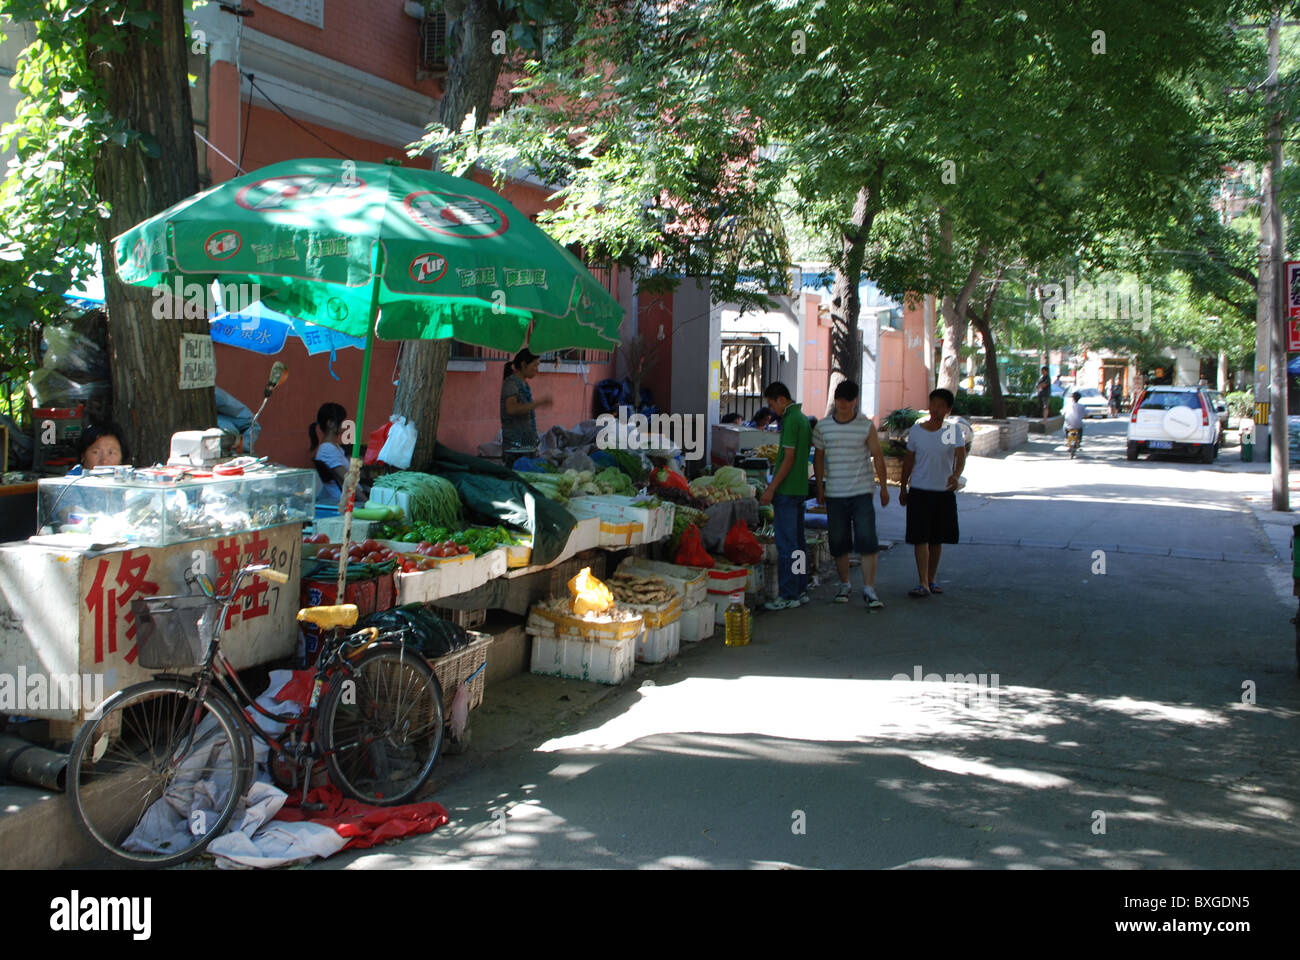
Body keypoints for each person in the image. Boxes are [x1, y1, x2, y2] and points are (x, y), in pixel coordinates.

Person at [812, 380, 889, 610]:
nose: (842, 404)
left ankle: (869, 588)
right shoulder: (823, 427)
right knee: (838, 542)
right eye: (839, 400)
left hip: (862, 492)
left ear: (855, 401)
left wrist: (884, 486)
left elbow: (878, 456)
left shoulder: (866, 426)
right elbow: (818, 456)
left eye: (847, 400)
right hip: (835, 492)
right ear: (834, 400)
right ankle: (844, 584)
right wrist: (819, 486)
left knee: (867, 541)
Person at [899, 388, 965, 598]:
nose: (935, 409)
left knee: (937, 539)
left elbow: (960, 456)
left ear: (948, 409)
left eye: (940, 405)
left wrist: (955, 475)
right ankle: (922, 582)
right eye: (932, 404)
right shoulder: (917, 431)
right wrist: (903, 487)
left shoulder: (951, 431)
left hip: (943, 492)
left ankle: (931, 578)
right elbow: (908, 460)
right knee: (920, 538)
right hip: (919, 490)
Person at [758, 381, 812, 610]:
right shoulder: (803, 419)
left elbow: (788, 458)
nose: (772, 410)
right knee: (799, 543)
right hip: (800, 489)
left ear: (781, 399)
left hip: (787, 491)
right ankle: (800, 589)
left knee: (787, 545)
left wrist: (771, 488)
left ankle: (788, 594)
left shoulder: (790, 420)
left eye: (772, 404)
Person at [501, 348, 550, 468]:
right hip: (515, 446)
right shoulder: (511, 383)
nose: (537, 370)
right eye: (535, 366)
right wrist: (537, 404)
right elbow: (511, 408)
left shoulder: (524, 384)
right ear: (524, 364)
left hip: (526, 443)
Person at [310, 403, 366, 507]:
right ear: (330, 423)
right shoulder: (327, 450)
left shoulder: (334, 447)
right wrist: (366, 501)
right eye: (342, 421)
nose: (345, 425)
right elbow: (347, 480)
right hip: (346, 502)